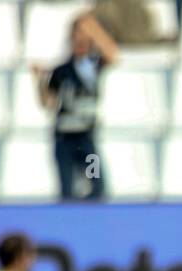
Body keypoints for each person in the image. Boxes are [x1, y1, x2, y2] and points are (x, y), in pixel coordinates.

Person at [32, 12, 118, 200]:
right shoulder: (61, 70)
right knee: (67, 190)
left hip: (86, 137)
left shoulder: (94, 64)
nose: (79, 38)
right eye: (76, 33)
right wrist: (39, 81)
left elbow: (113, 55)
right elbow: (48, 103)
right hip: (64, 138)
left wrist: (93, 29)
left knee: (97, 185)